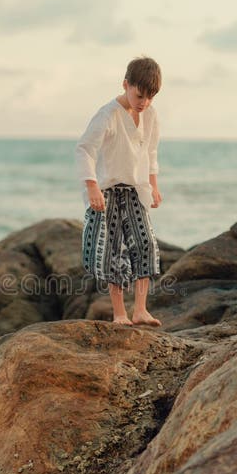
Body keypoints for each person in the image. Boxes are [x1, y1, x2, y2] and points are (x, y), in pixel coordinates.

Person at [75, 56, 163, 326]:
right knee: (114, 252)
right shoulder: (108, 115)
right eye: (139, 95)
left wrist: (154, 186)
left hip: (136, 191)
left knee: (145, 244)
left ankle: (140, 310)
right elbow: (84, 149)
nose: (144, 102)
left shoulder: (149, 115)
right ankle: (120, 314)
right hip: (109, 191)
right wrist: (92, 187)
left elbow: (150, 152)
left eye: (150, 97)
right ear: (126, 84)